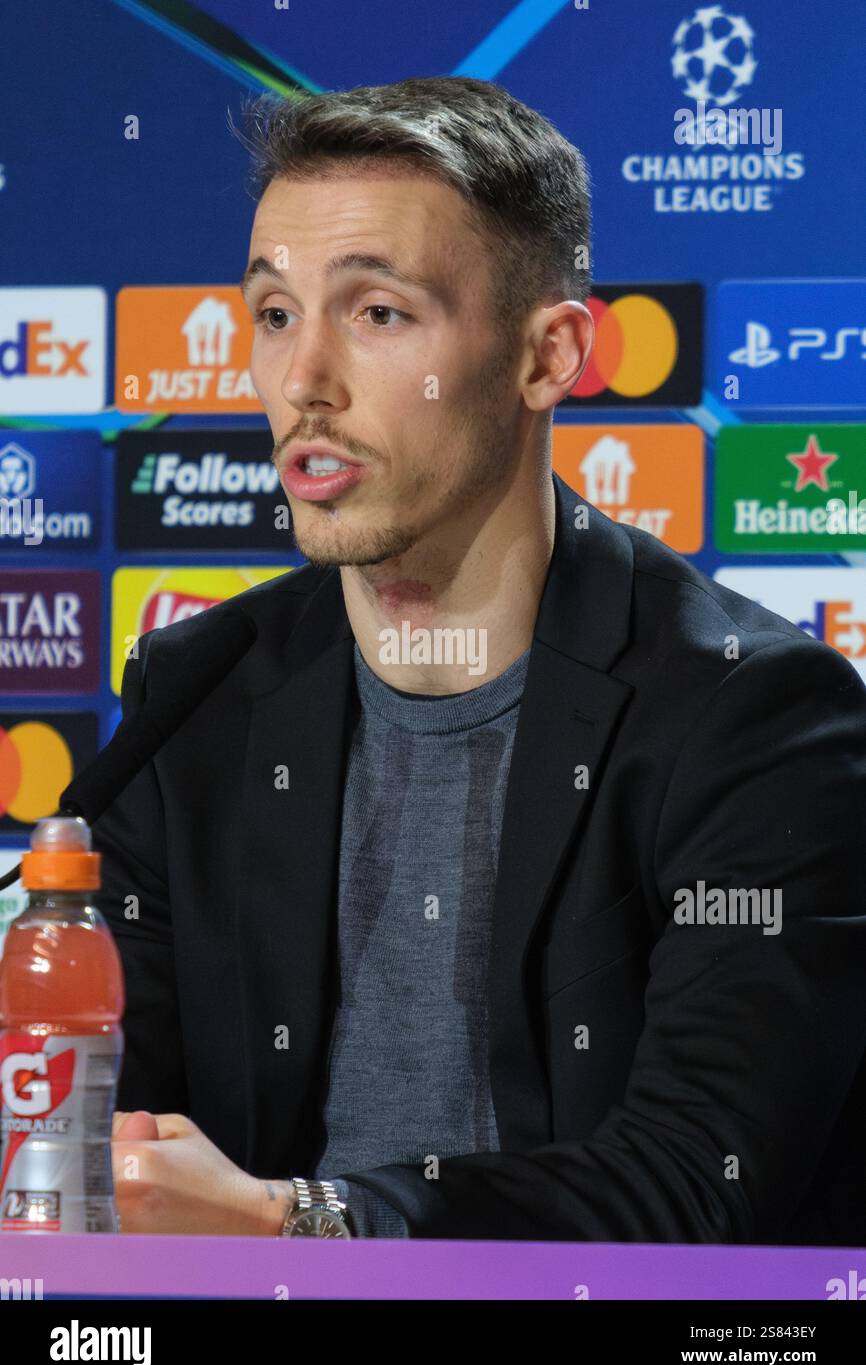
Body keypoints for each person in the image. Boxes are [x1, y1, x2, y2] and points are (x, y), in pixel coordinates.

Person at [95, 76, 866, 1243]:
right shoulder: (194, 694)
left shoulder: (750, 718)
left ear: (547, 355)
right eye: (272, 314)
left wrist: (309, 1225)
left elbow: (694, 1180)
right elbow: (103, 1123)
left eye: (377, 314)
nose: (302, 381)